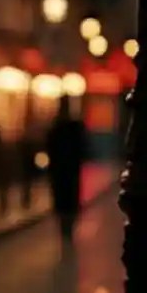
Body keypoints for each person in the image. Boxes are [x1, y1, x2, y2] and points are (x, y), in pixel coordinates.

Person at [45, 97, 87, 244]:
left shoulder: (56, 127)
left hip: (60, 171)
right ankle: (67, 228)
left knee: (63, 200)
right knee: (69, 200)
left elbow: (49, 148)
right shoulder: (74, 127)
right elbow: (82, 148)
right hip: (69, 171)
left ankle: (65, 229)